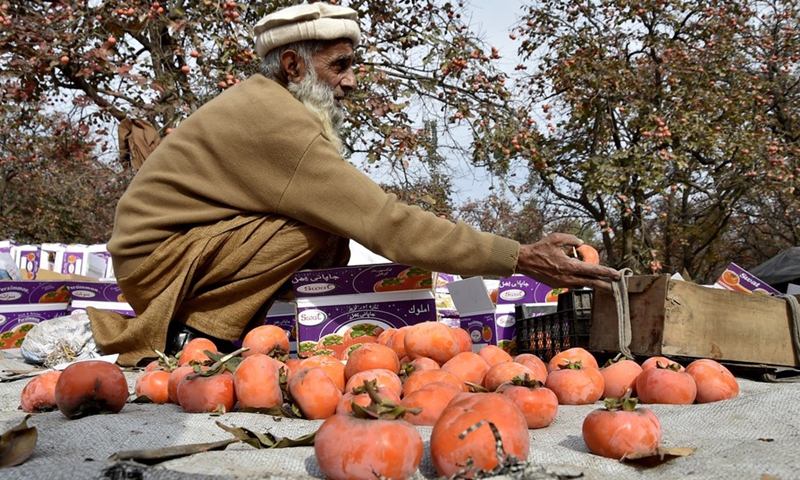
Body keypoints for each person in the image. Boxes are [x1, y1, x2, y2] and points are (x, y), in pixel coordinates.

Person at [82, 3, 619, 366]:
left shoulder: (266, 103)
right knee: (316, 229)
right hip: (161, 269)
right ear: (293, 65)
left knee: (327, 229)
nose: (352, 81)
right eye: (339, 65)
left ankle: (252, 332)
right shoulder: (277, 123)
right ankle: (202, 335)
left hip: (181, 254)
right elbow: (387, 223)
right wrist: (519, 256)